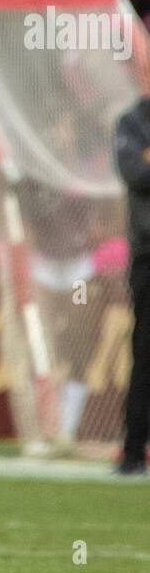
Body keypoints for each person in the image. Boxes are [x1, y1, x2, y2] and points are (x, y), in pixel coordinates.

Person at [114, 95, 150, 476]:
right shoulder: (133, 120)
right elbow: (135, 174)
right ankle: (133, 451)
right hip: (149, 255)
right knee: (145, 351)